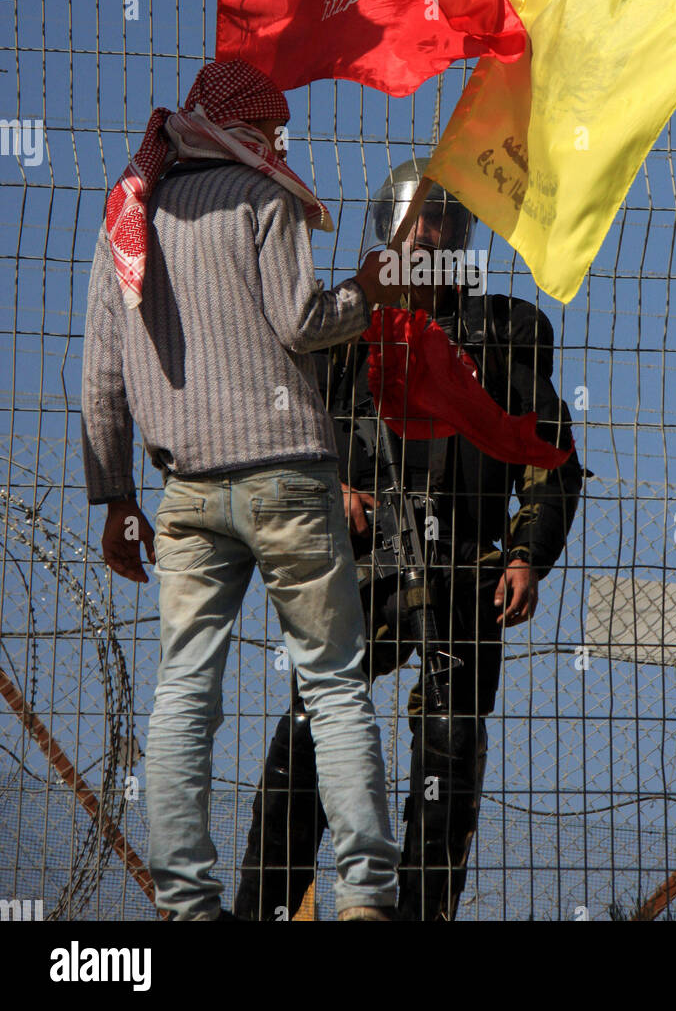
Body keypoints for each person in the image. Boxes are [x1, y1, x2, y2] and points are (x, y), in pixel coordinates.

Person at [80, 58, 404, 921]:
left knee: (186, 688)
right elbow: (302, 322)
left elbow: (102, 375)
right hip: (289, 475)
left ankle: (188, 905)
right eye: (276, 132)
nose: (280, 145)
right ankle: (367, 899)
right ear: (251, 131)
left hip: (184, 491)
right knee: (334, 682)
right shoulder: (263, 195)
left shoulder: (129, 212)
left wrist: (115, 498)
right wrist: (364, 295)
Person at [235, 157, 584, 921]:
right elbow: (283, 447)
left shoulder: (507, 329)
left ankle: (422, 916)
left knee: (451, 744)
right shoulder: (340, 334)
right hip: (358, 569)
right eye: (418, 220)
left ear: (466, 233)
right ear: (389, 232)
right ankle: (263, 908)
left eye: (447, 220)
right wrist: (331, 490)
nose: (432, 233)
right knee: (309, 733)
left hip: (464, 570)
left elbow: (552, 463)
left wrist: (528, 554)